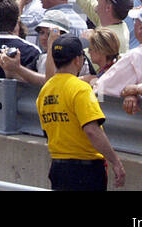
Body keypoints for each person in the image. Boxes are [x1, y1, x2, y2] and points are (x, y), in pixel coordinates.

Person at [36, 34, 126, 191]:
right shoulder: (81, 89)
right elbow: (92, 130)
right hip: (85, 171)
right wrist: (115, 161)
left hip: (58, 167)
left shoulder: (45, 91)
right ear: (78, 60)